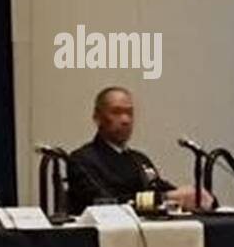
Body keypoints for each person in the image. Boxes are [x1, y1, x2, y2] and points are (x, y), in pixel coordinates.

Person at [67, 86, 213, 213]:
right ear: (97, 117)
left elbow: (158, 188)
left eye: (129, 113)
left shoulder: (139, 159)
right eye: (116, 112)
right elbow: (106, 202)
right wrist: (166, 198)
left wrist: (190, 196)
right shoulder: (82, 160)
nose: (125, 120)